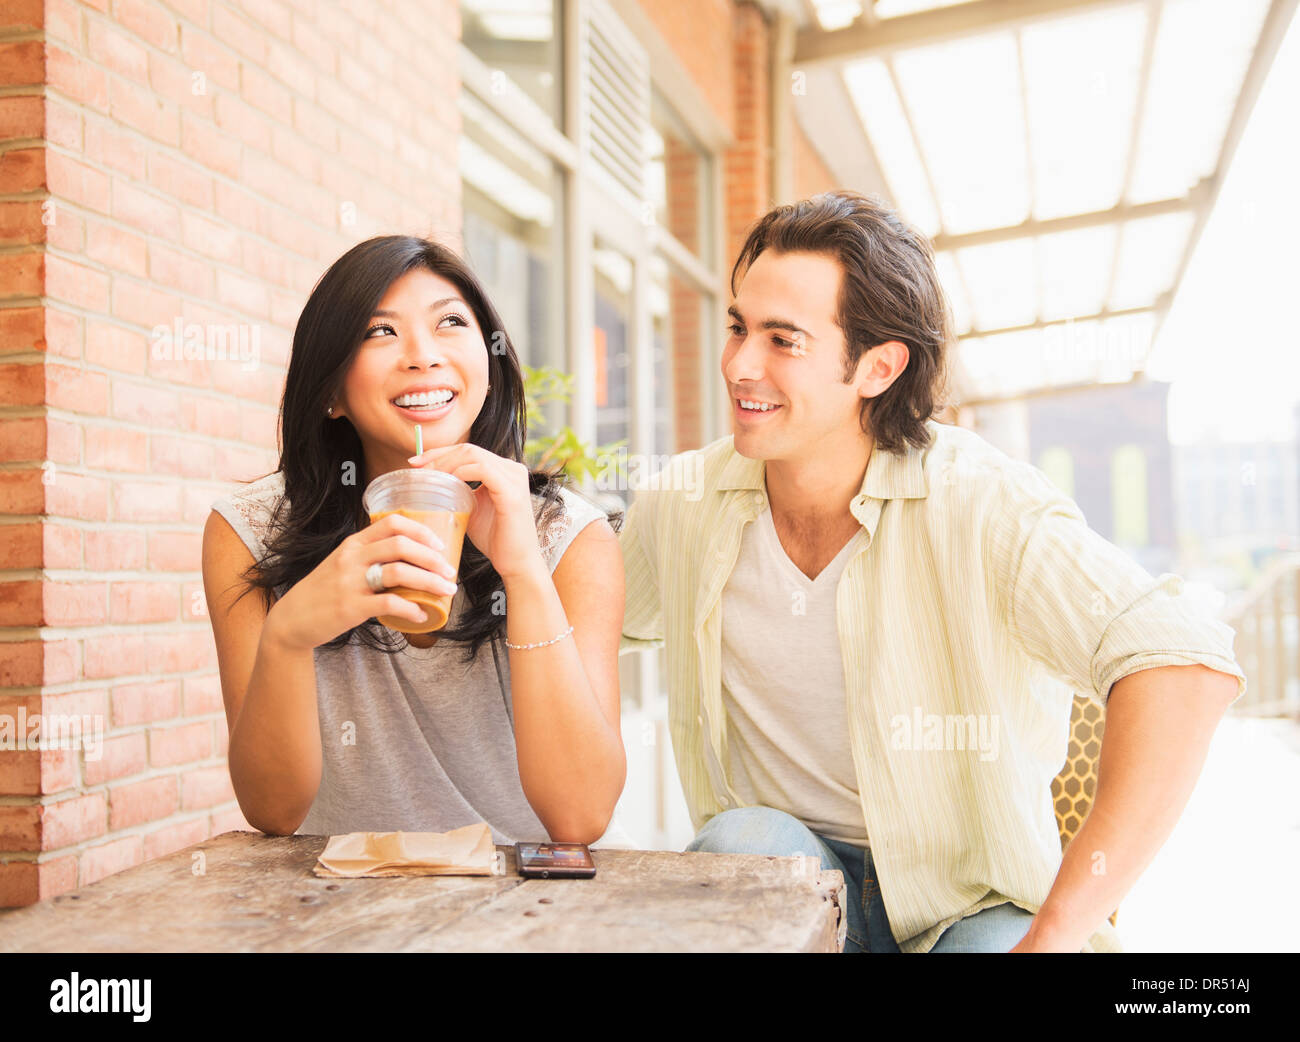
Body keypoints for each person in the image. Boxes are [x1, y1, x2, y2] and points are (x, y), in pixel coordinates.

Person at [617, 191, 1246, 953]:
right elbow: (574, 616)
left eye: (783, 340)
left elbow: (1185, 665)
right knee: (738, 843)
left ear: (878, 366)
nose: (740, 365)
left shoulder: (987, 503)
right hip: (793, 885)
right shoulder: (683, 504)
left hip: (972, 908)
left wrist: (1051, 938)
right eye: (738, 328)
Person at [203, 235, 626, 845]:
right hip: (334, 904)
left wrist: (524, 571)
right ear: (329, 392)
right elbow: (273, 811)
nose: (423, 356)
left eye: (450, 322)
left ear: (489, 359)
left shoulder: (568, 536)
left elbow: (580, 816)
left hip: (522, 907)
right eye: (380, 332)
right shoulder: (250, 532)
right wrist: (289, 635)